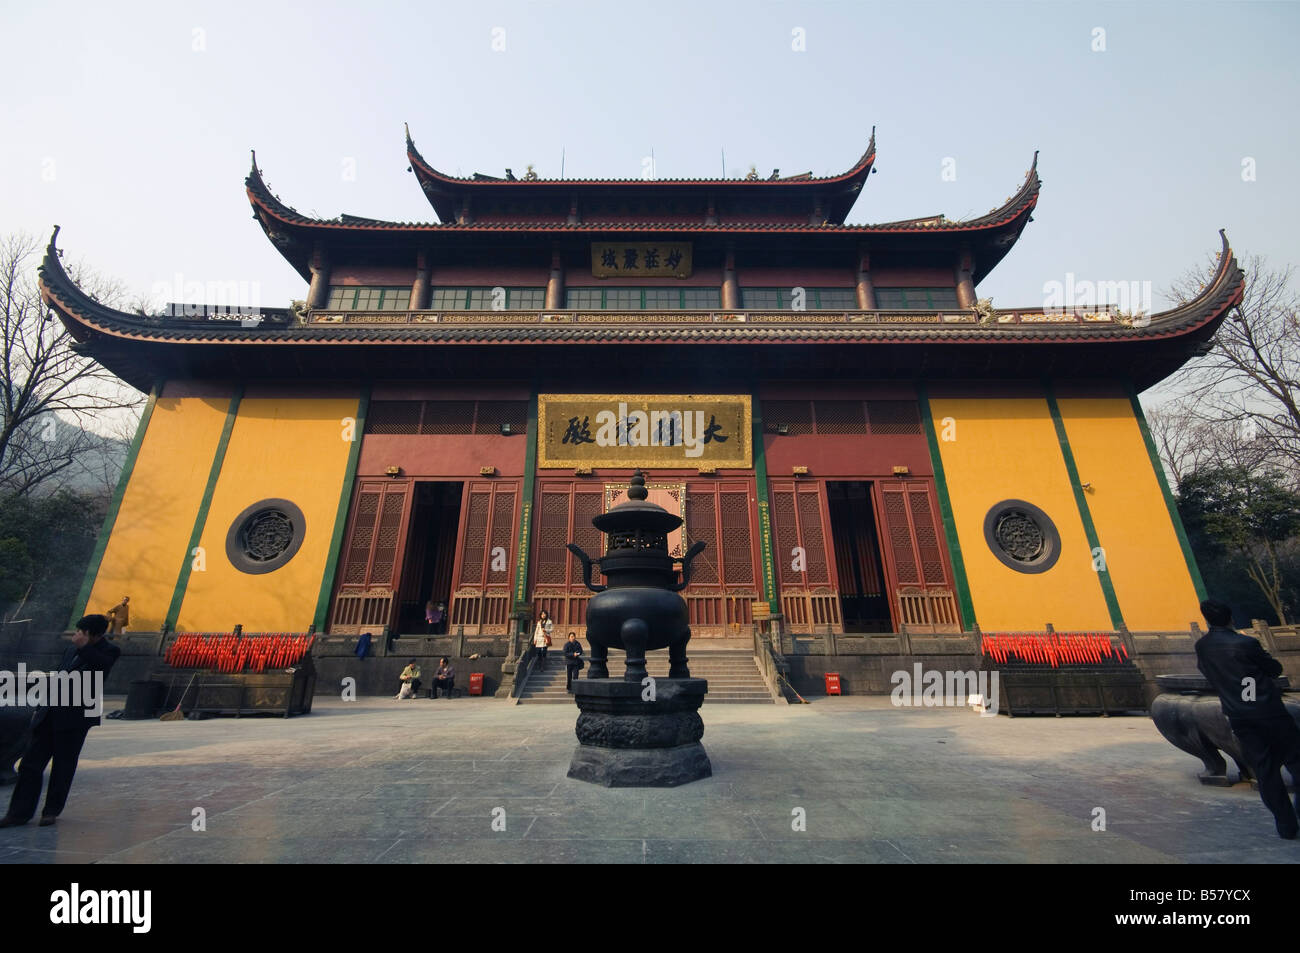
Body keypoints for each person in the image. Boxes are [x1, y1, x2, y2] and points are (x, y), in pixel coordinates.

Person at [1, 614, 120, 828]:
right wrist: (41, 707)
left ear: (97, 635)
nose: (77, 636)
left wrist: (85, 648)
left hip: (75, 718)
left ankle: (51, 811)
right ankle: (18, 813)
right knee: (30, 765)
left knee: (63, 766)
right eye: (77, 631)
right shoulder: (71, 649)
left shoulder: (108, 651)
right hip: (51, 713)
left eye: (82, 633)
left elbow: (100, 668)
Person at [1195, 598, 1300, 839]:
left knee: (1265, 770)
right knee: (1296, 759)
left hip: (1239, 715)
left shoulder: (1203, 646)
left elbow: (1206, 671)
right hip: (1268, 711)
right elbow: (1274, 669)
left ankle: (1285, 825)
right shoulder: (1246, 643)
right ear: (1231, 618)